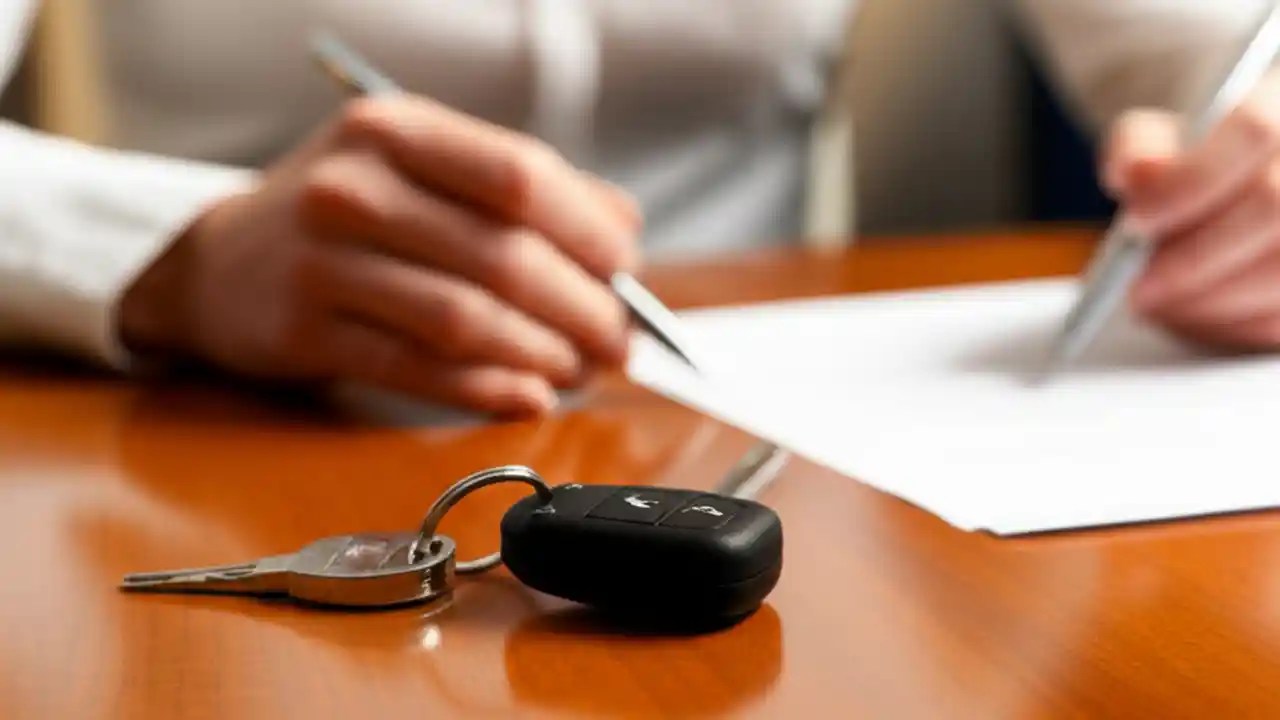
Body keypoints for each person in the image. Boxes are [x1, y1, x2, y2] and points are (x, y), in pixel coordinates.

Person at [1, 1, 1278, 418]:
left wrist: (1253, 154)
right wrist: (177, 251)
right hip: (218, 415)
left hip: (762, 433)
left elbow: (1217, 47)